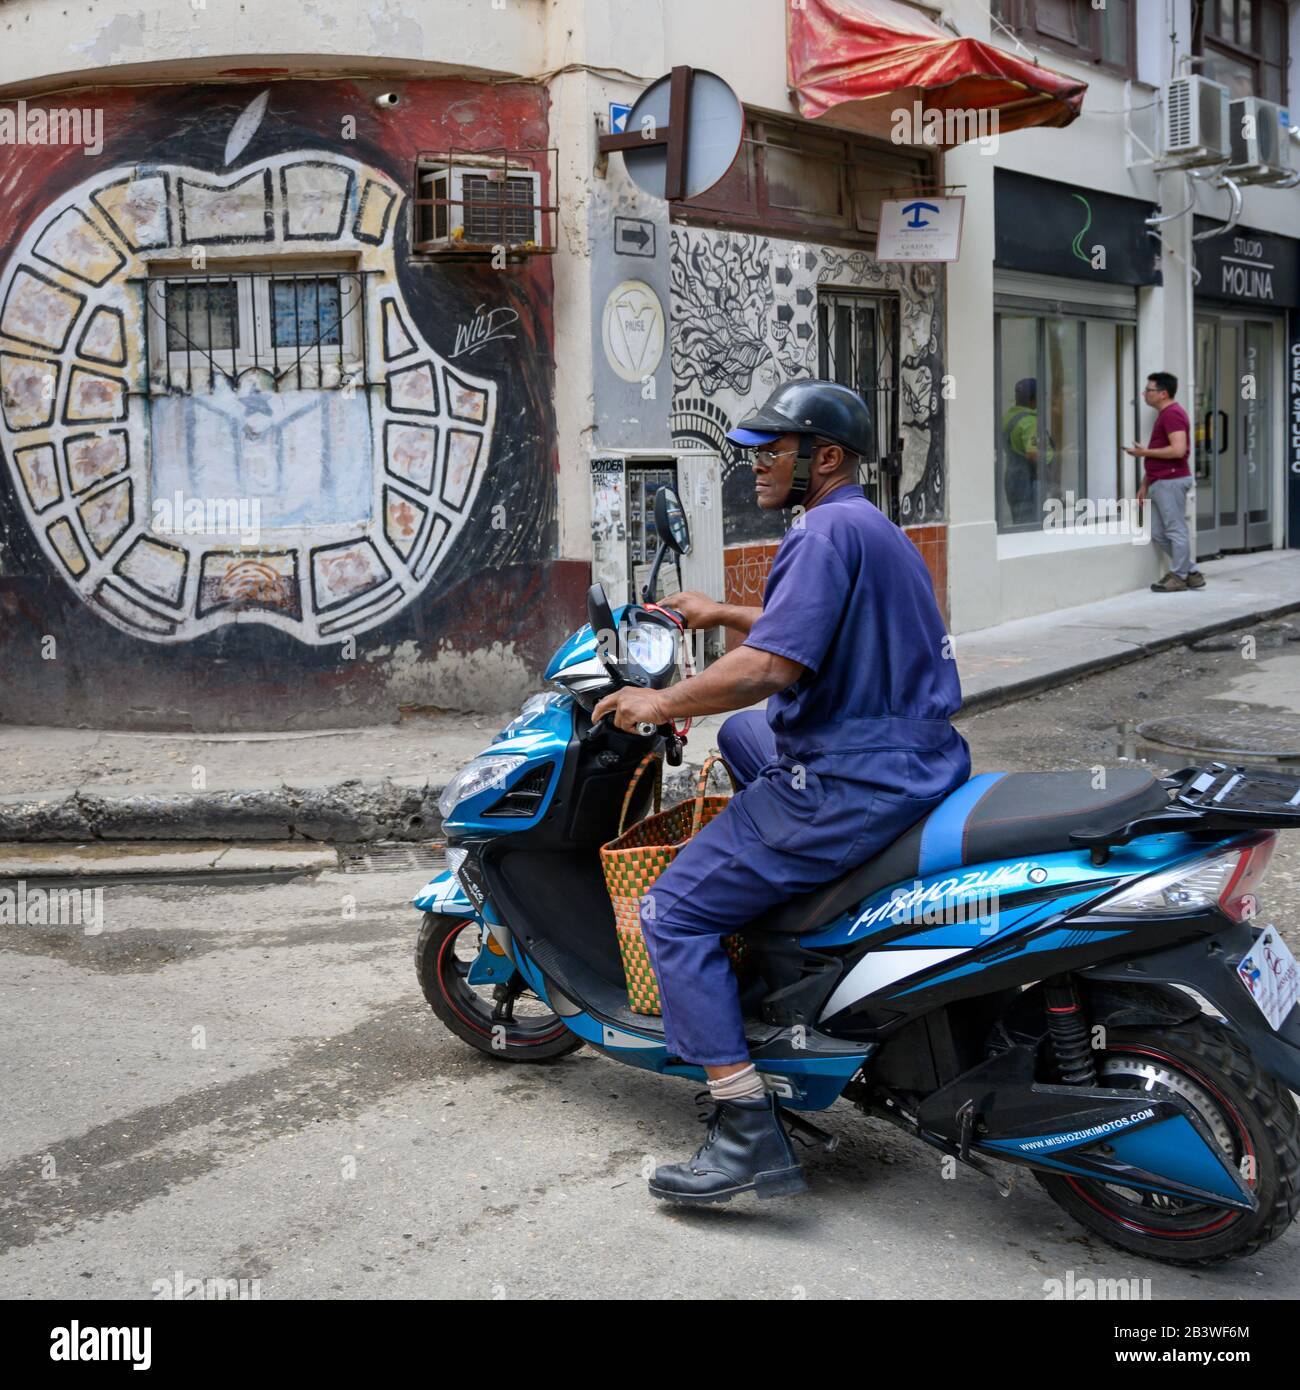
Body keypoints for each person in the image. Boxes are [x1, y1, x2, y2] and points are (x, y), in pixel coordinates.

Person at [591, 379, 971, 1204]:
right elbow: (803, 627)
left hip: (848, 776)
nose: (754, 464)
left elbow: (772, 668)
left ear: (823, 458)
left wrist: (658, 701)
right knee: (739, 736)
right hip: (916, 753)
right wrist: (720, 612)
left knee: (674, 910)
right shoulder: (863, 526)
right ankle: (781, 908)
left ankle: (743, 1129)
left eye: (771, 451)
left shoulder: (823, 531)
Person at [1125, 371, 1205, 592]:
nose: (1144, 394)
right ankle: (1191, 572)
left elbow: (1178, 450)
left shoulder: (1172, 414)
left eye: (1148, 390)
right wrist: (1145, 484)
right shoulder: (1166, 414)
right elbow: (1157, 455)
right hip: (1161, 480)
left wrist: (1144, 453)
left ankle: (1179, 576)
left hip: (1171, 480)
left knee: (1175, 529)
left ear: (1162, 393)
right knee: (1158, 532)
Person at [1000, 377, 1051, 526]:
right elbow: (1033, 454)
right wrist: (1061, 453)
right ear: (1033, 399)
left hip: (1012, 476)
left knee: (1019, 522)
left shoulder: (1008, 417)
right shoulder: (1030, 422)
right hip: (1028, 480)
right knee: (1030, 525)